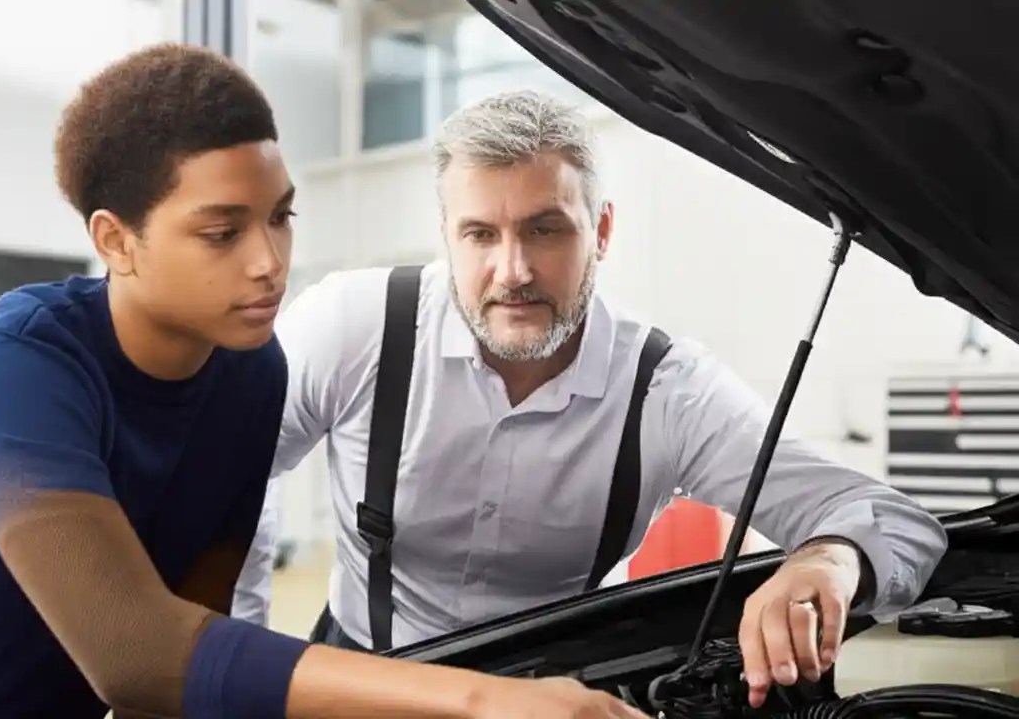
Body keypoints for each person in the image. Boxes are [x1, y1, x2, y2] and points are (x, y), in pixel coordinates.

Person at [0, 47, 650, 719]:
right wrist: (483, 701)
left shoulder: (251, 378)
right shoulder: (17, 369)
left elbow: (187, 662)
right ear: (116, 241)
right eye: (221, 233)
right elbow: (138, 652)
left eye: (280, 217)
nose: (270, 262)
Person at [236, 89, 949, 709]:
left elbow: (895, 520)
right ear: (446, 238)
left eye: (546, 229)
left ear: (601, 231)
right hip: (364, 680)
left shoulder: (667, 391)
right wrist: (234, 646)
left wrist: (828, 557)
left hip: (560, 699)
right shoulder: (355, 327)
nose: (512, 271)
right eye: (481, 234)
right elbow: (223, 471)